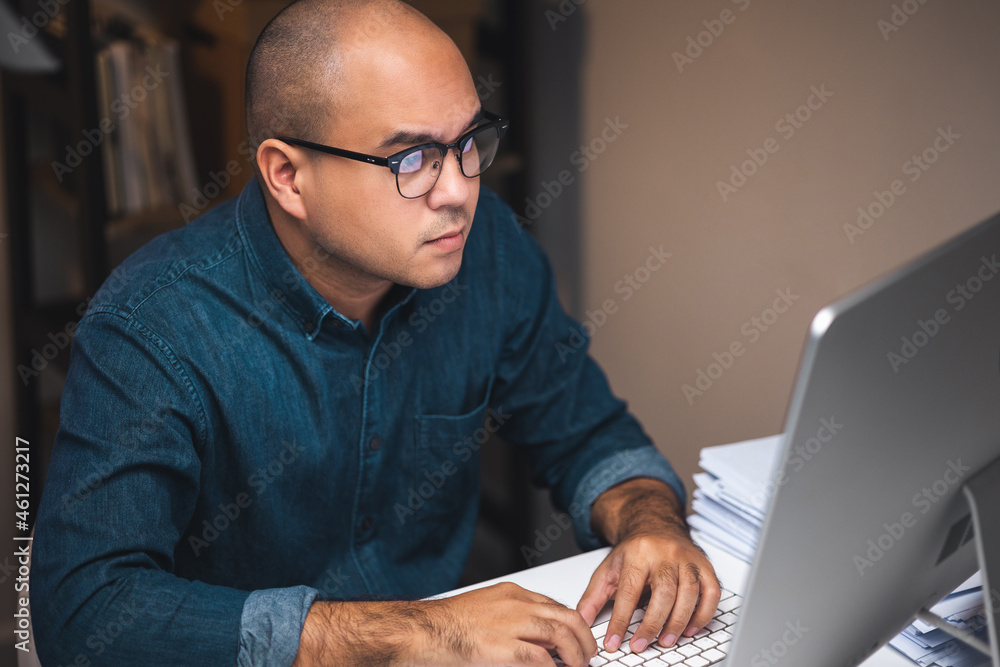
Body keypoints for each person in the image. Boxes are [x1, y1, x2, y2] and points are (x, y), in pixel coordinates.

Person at [30, 1, 720, 665]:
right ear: (288, 176)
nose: (458, 190)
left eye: (468, 142)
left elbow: (588, 430)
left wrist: (650, 521)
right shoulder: (150, 327)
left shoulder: (488, 249)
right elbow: (84, 612)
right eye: (412, 159)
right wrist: (417, 633)